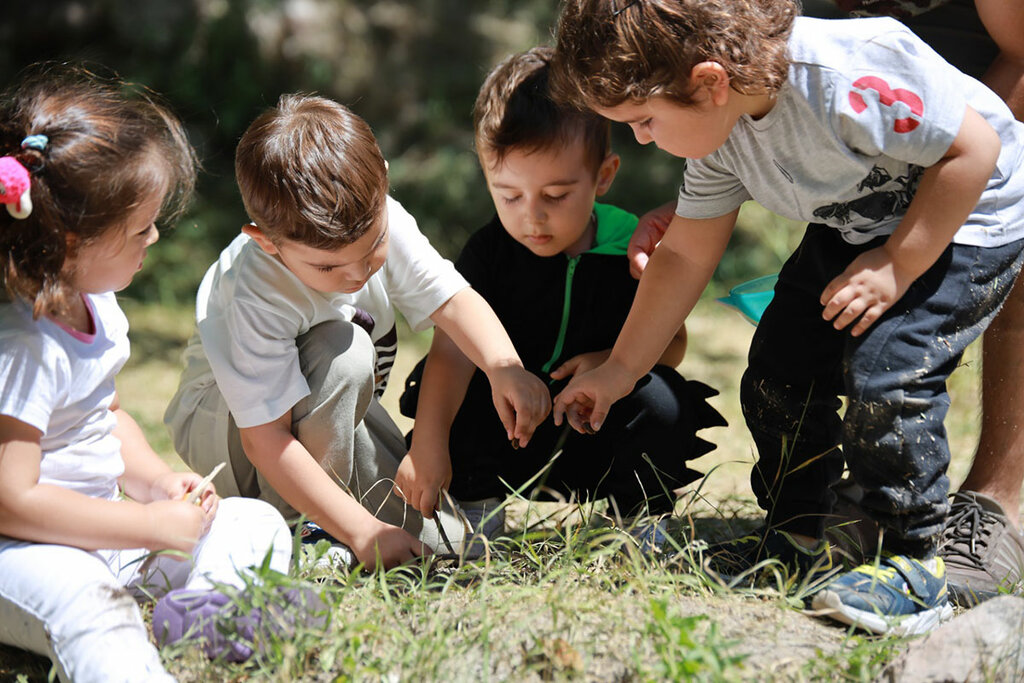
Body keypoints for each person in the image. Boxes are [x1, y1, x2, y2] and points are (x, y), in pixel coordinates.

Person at [549, 0, 1024, 635]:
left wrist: (896, 266)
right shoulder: (722, 133)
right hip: (863, 222)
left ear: (710, 81)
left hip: (969, 215)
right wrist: (619, 370)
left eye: (643, 120)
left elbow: (976, 150)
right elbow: (685, 254)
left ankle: (912, 560)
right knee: (781, 367)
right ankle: (799, 533)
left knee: (891, 374)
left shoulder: (848, 76)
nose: (641, 139)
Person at [164, 94, 551, 571]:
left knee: (448, 542)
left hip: (327, 425)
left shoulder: (386, 215)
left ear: (383, 185)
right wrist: (363, 531)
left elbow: (452, 300)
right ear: (265, 242)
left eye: (373, 249)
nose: (355, 275)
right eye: (327, 265)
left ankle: (331, 524)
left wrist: (503, 367)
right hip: (228, 429)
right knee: (342, 351)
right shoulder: (255, 290)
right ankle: (297, 535)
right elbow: (265, 440)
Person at [0, 64, 294, 682]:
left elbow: (103, 417)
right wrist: (149, 525)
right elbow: (11, 500)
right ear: (72, 243)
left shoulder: (97, 306)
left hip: (111, 541)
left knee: (252, 520)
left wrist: (160, 484)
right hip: (30, 555)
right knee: (89, 604)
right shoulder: (24, 345)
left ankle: (213, 616)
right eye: (139, 229)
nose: (154, 237)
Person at [394, 47, 725, 541]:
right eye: (508, 195)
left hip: (594, 434)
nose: (532, 216)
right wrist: (427, 444)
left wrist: (613, 362)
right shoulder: (489, 251)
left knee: (664, 402)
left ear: (603, 177)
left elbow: (671, 346)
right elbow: (450, 353)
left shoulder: (628, 246)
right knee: (447, 390)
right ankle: (473, 508)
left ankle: (638, 517)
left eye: (555, 195)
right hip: (508, 437)